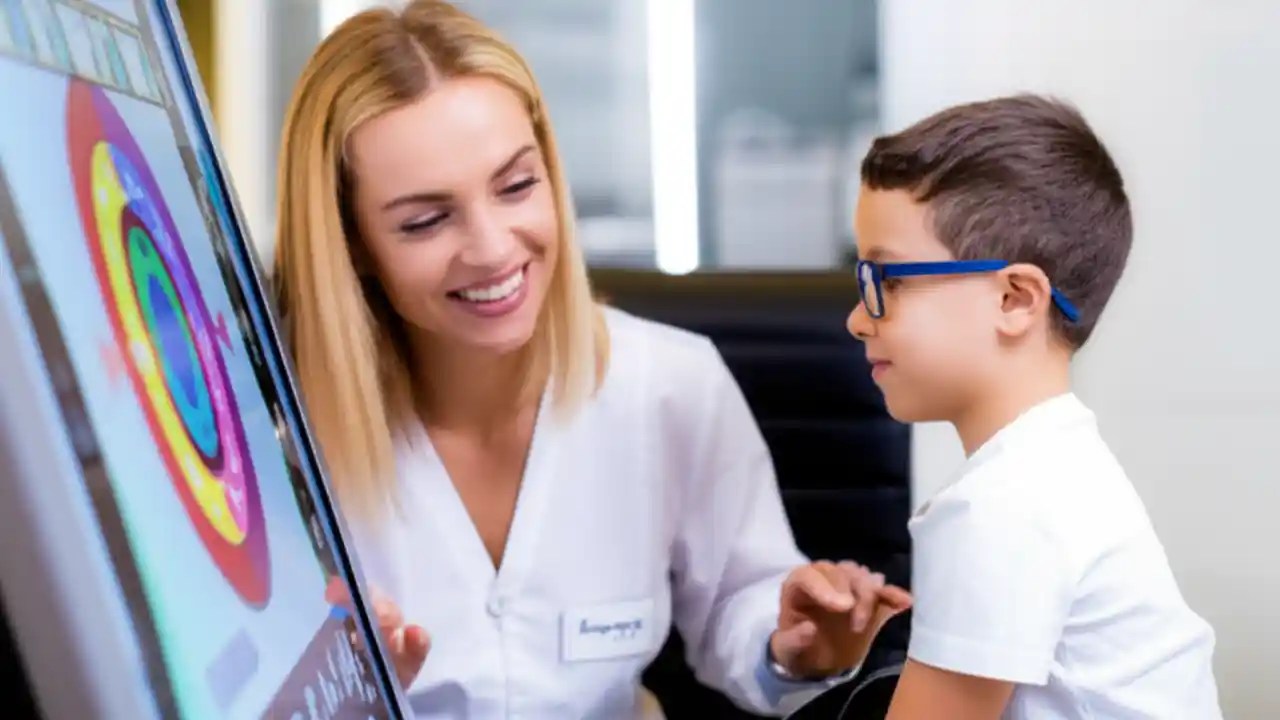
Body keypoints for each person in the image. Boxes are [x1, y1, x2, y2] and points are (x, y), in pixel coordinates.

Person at [271, 2, 910, 718]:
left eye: (516, 186)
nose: (492, 248)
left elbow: (744, 598)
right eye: (425, 221)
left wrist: (790, 641)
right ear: (352, 242)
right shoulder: (276, 435)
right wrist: (338, 696)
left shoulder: (670, 384)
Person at [845, 94, 1223, 719]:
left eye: (890, 282)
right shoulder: (1055, 466)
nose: (858, 318)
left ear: (1016, 299)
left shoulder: (1001, 507)